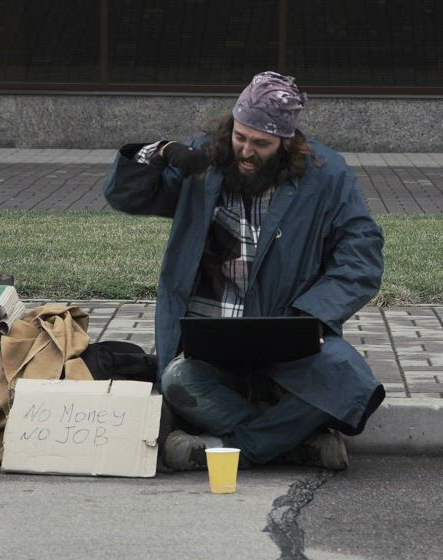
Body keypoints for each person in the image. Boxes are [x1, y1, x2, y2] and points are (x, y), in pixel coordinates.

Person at [103, 71, 385, 471]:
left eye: (261, 144)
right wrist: (161, 152)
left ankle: (228, 448)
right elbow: (126, 195)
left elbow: (363, 257)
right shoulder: (205, 159)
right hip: (208, 335)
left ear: (286, 143)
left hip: (287, 331)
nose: (246, 152)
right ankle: (294, 447)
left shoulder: (327, 175)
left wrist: (312, 317)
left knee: (350, 381)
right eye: (241, 137)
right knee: (179, 381)